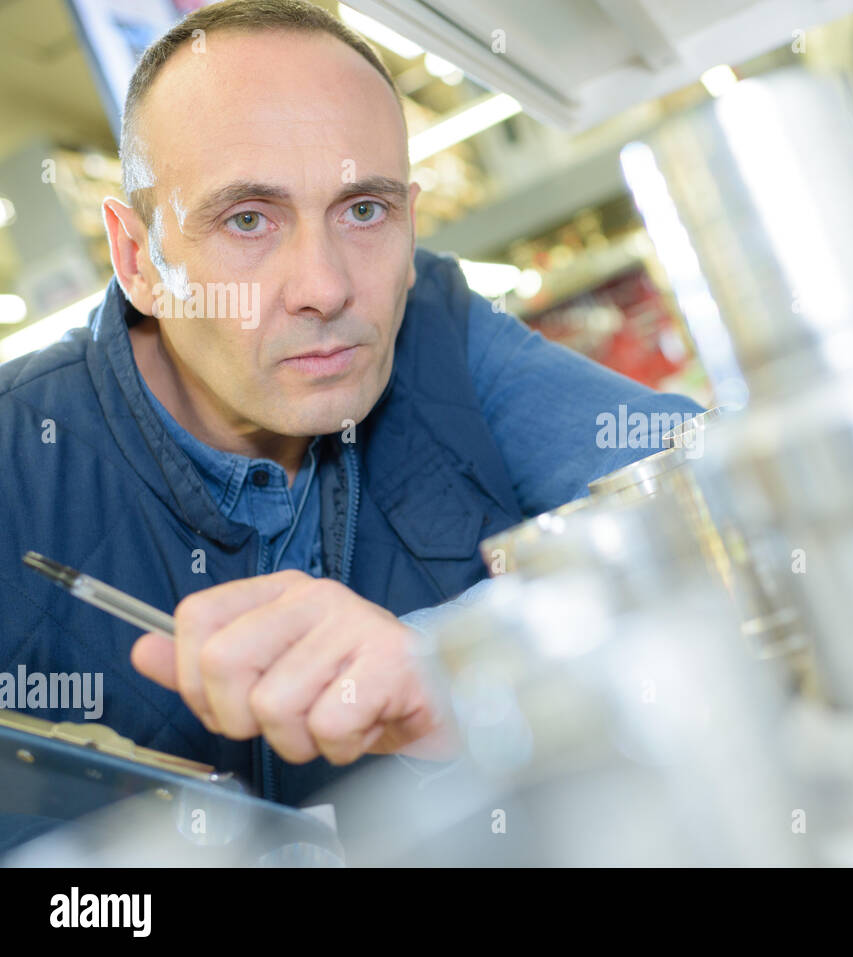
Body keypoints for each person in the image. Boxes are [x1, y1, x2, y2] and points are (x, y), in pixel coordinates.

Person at [0, 0, 701, 835]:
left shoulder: (440, 333)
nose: (326, 288)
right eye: (248, 219)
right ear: (136, 259)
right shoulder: (19, 463)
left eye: (363, 210)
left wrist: (455, 660)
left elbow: (715, 503)